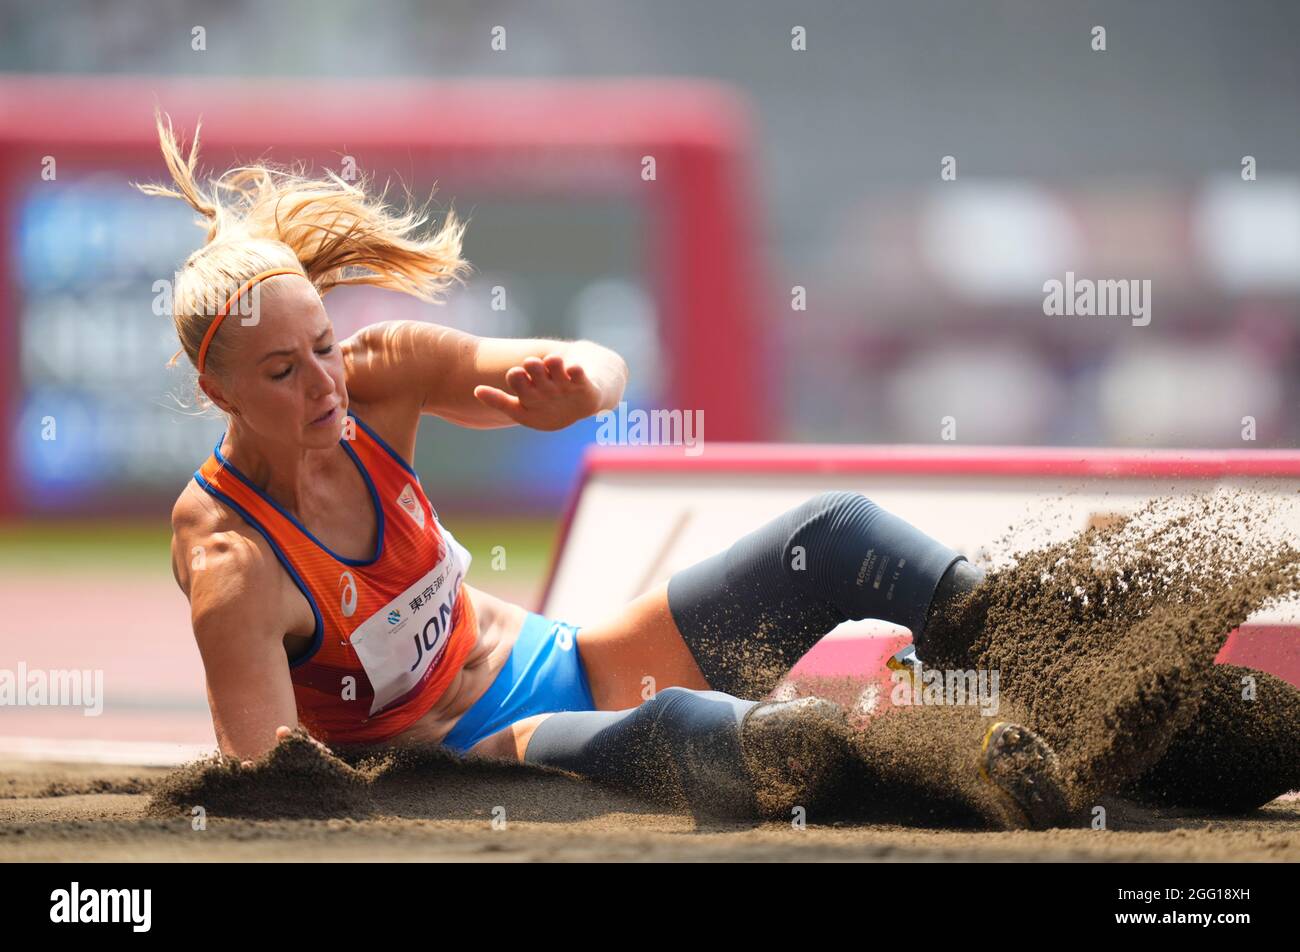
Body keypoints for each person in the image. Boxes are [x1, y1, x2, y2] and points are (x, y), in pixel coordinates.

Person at [144, 111, 1070, 830]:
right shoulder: (237, 566)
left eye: (323, 347)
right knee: (693, 734)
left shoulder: (378, 373)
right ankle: (947, 757)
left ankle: (1062, 663)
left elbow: (595, 364)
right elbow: (276, 790)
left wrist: (579, 390)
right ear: (215, 389)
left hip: (572, 660)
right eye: (283, 372)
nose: (323, 384)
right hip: (475, 756)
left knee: (837, 534)